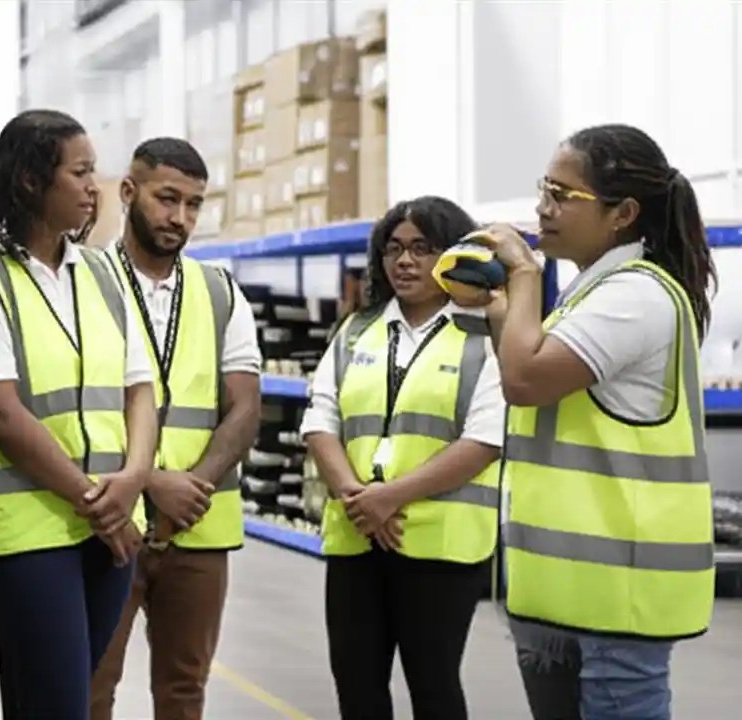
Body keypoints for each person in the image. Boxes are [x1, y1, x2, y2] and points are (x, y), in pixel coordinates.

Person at [470, 124, 716, 720]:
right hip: (567, 595)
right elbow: (540, 379)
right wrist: (506, 307)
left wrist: (525, 274)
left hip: (618, 600)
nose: (541, 207)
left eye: (562, 195)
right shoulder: (591, 293)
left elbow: (525, 381)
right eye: (543, 190)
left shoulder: (637, 296)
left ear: (622, 213)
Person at [0, 109, 158, 720]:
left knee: (51, 696)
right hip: (21, 532)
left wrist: (134, 479)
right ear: (32, 181)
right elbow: (1, 414)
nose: (94, 187)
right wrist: (97, 501)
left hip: (107, 521)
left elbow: (140, 389)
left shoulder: (104, 276)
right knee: (58, 702)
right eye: (80, 172)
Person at [303, 196, 506, 720]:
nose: (405, 261)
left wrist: (388, 499)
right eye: (394, 248)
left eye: (422, 248)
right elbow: (319, 418)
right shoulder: (354, 331)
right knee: (356, 685)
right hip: (356, 539)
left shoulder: (486, 337)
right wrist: (356, 497)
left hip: (440, 547)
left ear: (453, 255)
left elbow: (484, 439)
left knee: (434, 686)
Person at [89, 138, 261, 720]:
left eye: (193, 205)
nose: (179, 218)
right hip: (108, 523)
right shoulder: (84, 282)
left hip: (199, 529)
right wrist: (148, 484)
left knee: (184, 692)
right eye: (167, 199)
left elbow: (244, 409)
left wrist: (193, 488)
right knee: (92, 687)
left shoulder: (220, 293)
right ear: (130, 193)